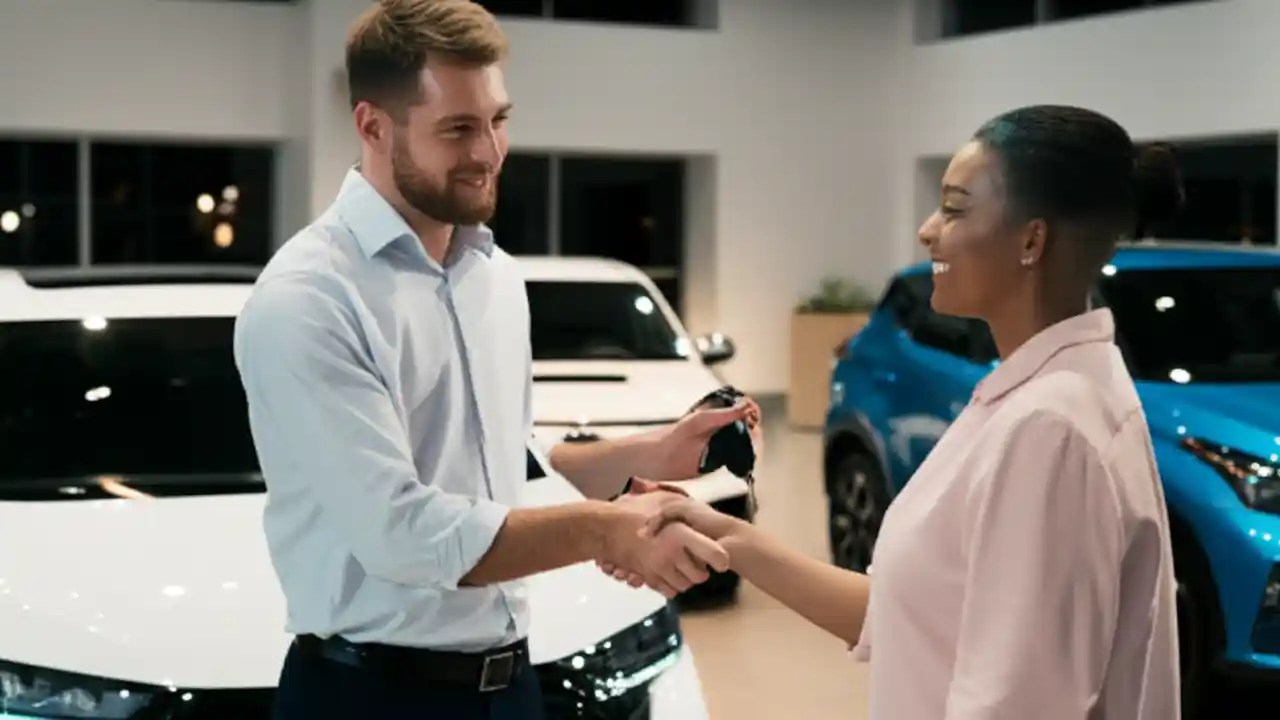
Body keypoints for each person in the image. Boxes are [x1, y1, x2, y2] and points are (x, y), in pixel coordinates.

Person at [231, 1, 758, 718]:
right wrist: (605, 531)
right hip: (368, 695)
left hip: (510, 686)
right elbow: (401, 532)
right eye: (458, 128)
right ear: (373, 126)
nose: (488, 151)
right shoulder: (309, 297)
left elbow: (502, 465)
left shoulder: (494, 275)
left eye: (498, 120)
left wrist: (651, 452)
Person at [623, 105, 1184, 719]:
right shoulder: (1047, 391)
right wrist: (731, 537)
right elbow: (910, 619)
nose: (927, 230)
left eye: (954, 208)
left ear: (1031, 240)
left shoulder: (1051, 429)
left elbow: (1016, 704)